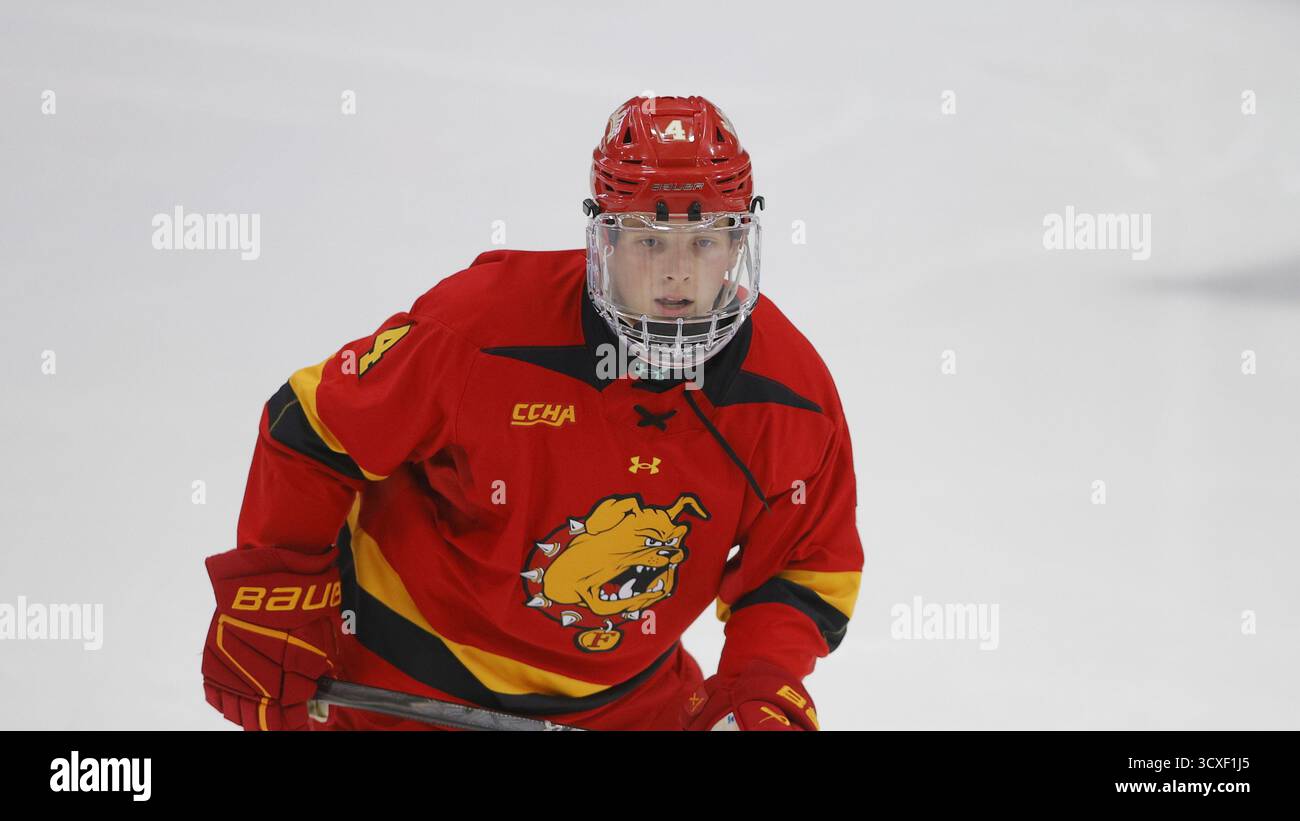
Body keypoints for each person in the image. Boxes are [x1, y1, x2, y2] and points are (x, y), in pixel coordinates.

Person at [200, 95, 863, 731]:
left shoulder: (790, 395)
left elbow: (806, 564)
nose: (679, 276)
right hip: (393, 687)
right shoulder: (484, 328)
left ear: (741, 237)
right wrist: (277, 595)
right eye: (649, 240)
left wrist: (758, 677)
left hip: (623, 706)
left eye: (707, 239)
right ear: (603, 237)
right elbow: (315, 425)